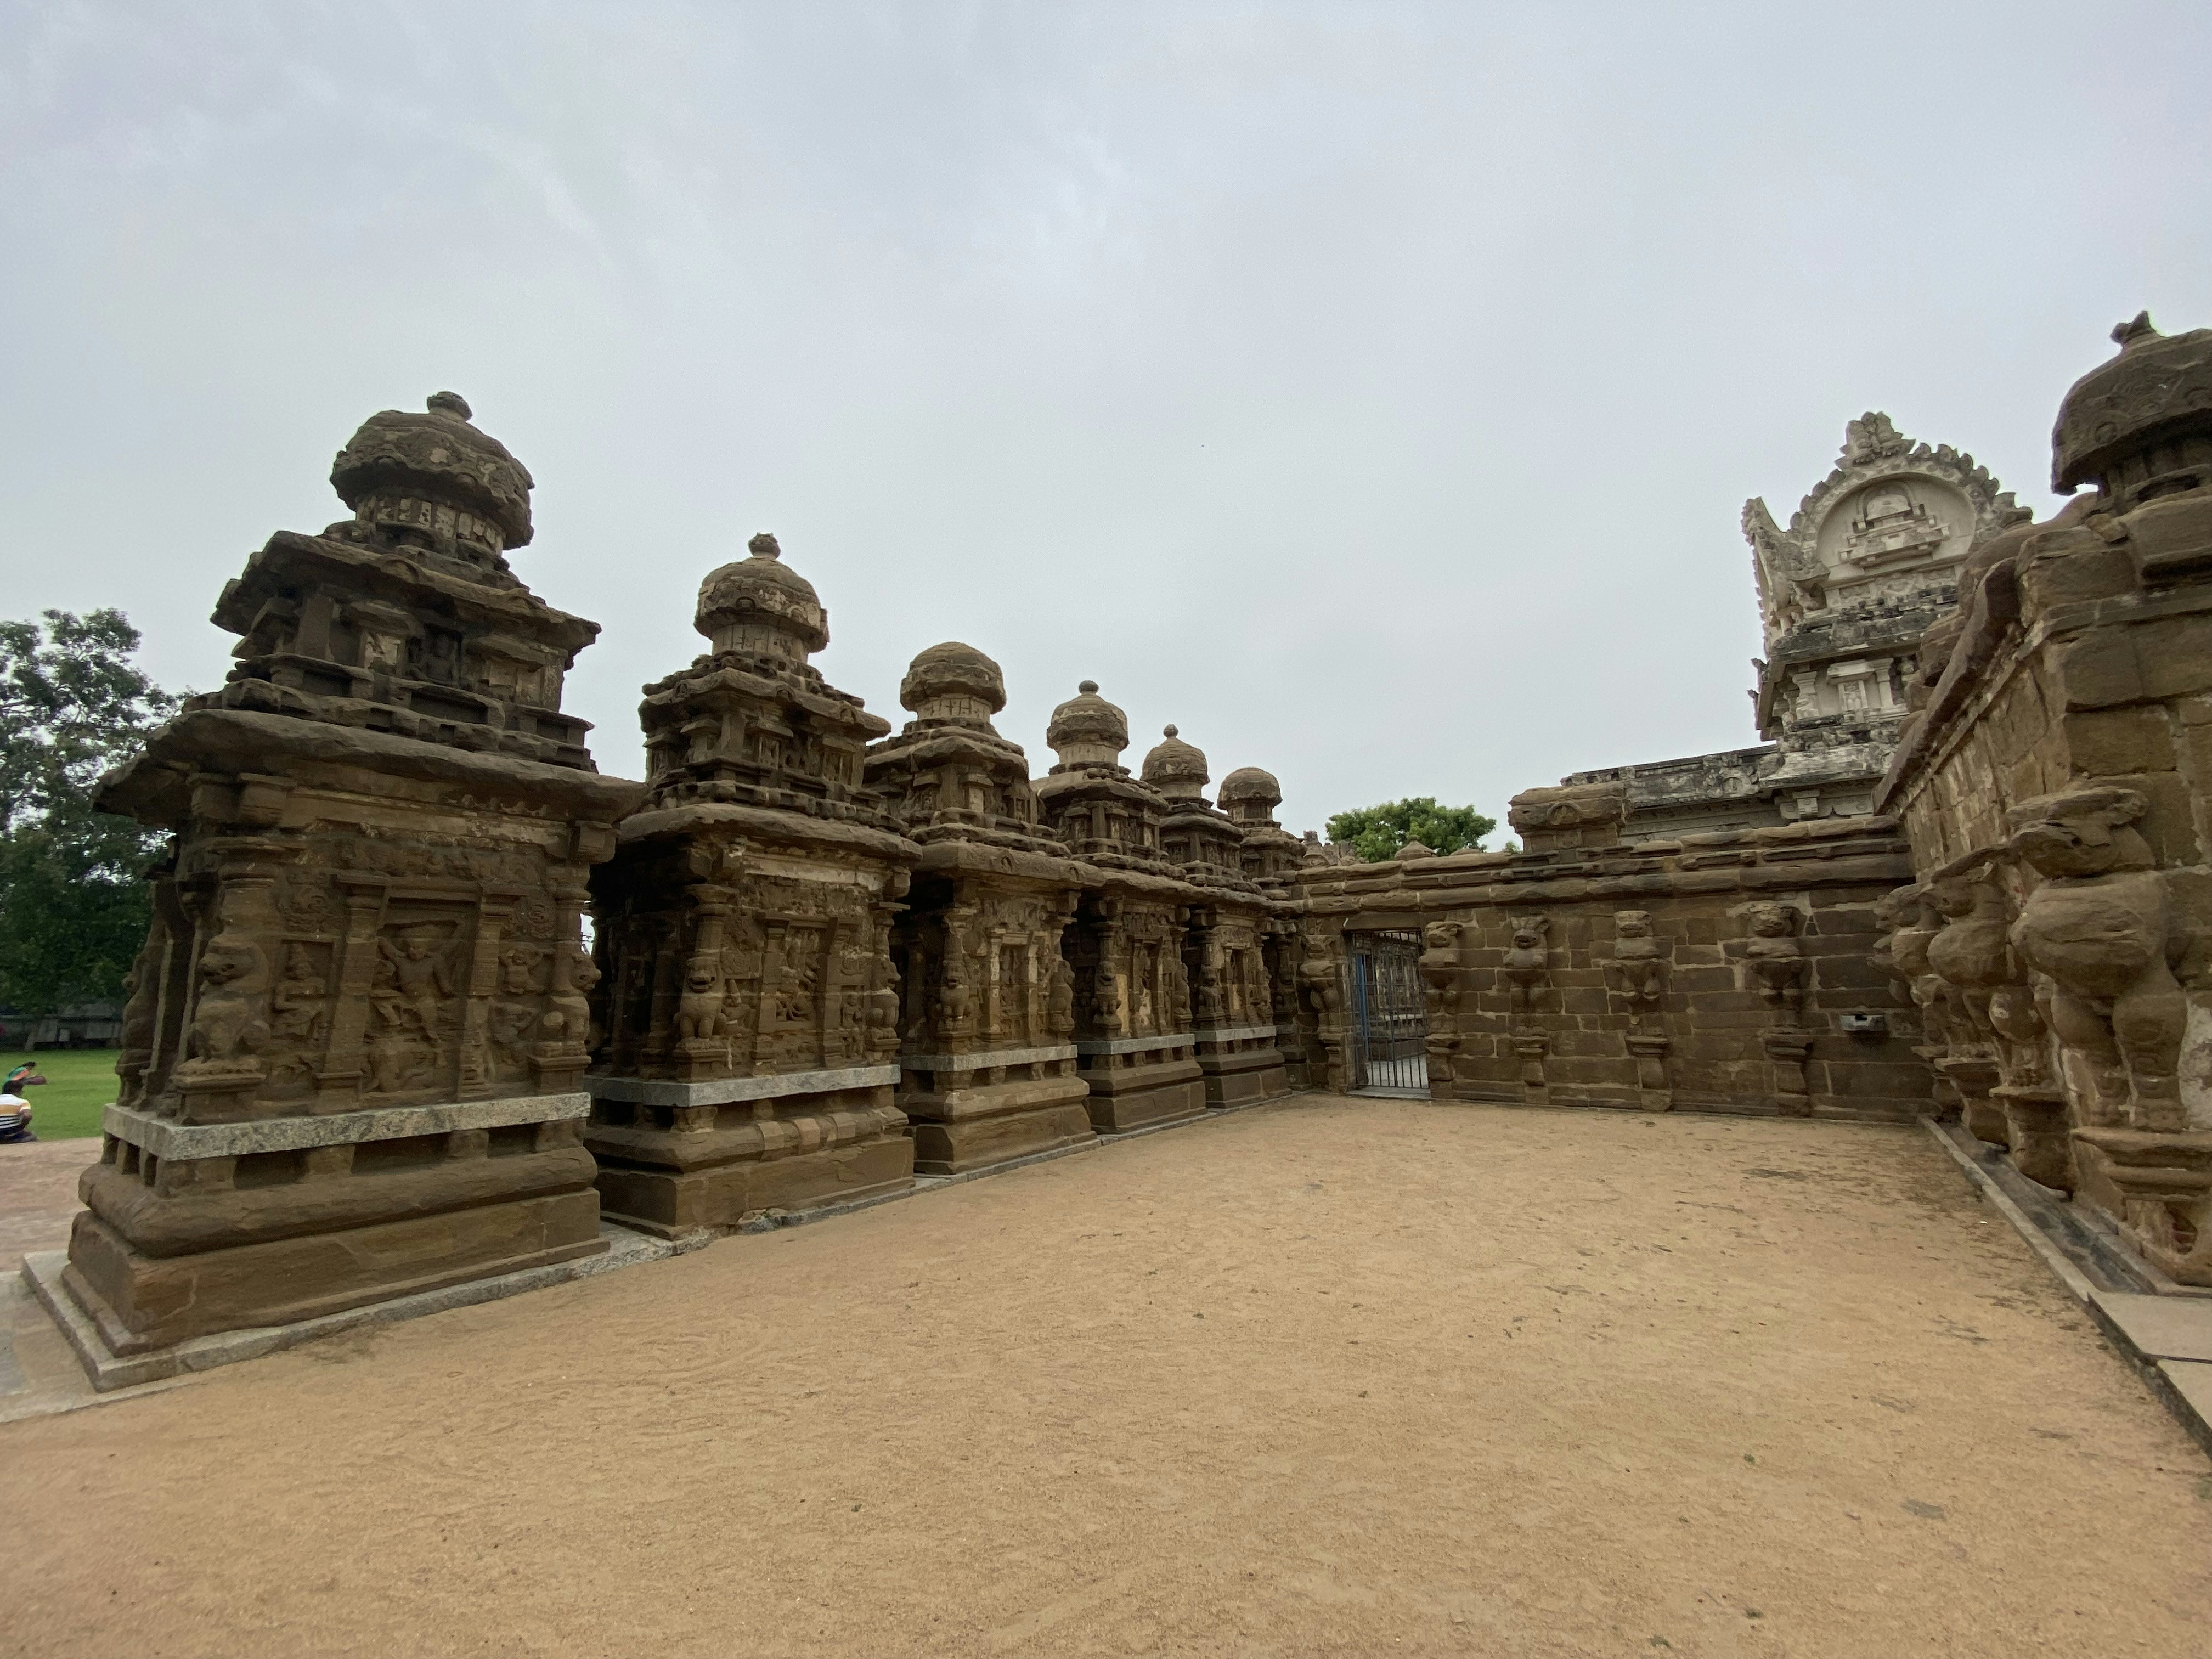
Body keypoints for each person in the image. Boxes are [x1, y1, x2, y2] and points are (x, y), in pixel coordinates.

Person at [0, 1062, 45, 1144]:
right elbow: (27, 1116)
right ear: (16, 1091)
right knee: (32, 1137)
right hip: (12, 1133)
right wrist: (21, 1127)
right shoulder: (22, 1102)